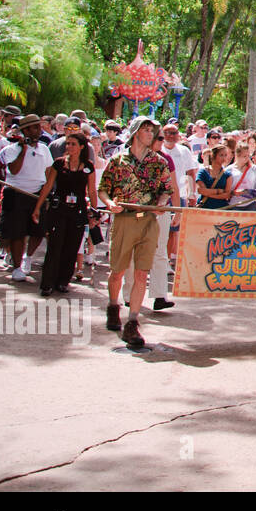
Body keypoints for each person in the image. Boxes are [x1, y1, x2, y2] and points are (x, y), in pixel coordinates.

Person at [99, 115, 175, 349]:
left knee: (142, 273)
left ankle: (132, 322)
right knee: (118, 271)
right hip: (124, 219)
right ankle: (113, 306)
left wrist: (161, 203)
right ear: (135, 132)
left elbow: (167, 189)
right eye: (146, 129)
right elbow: (103, 189)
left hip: (149, 220)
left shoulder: (159, 162)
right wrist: (110, 203)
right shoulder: (117, 160)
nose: (150, 134)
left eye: (152, 130)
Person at [31, 130, 99, 295]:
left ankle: (63, 281)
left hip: (78, 210)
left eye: (73, 144)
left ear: (82, 147)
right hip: (59, 209)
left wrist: (94, 213)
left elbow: (91, 191)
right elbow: (48, 186)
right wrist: (38, 207)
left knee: (72, 246)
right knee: (55, 245)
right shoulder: (59, 164)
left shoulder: (88, 167)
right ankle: (47, 283)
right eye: (67, 143)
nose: (69, 146)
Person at [0, 114, 53, 282]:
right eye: (35, 127)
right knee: (17, 233)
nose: (39, 130)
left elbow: (49, 173)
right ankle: (16, 266)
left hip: (36, 195)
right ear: (26, 130)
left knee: (38, 231)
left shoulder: (44, 148)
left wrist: (45, 194)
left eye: (39, 126)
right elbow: (13, 170)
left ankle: (27, 257)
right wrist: (23, 150)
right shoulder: (12, 149)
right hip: (16, 193)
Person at [226, 142, 256, 209]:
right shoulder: (229, 170)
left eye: (248, 156)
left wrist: (247, 191)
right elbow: (225, 190)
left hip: (250, 204)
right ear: (237, 155)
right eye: (244, 156)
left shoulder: (254, 169)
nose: (247, 158)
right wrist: (234, 193)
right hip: (233, 204)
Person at [196, 144, 236, 208]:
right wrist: (219, 191)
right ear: (214, 155)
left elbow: (227, 195)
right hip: (205, 207)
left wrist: (209, 194)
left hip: (221, 208)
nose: (224, 158)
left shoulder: (227, 174)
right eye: (221, 155)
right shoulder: (203, 171)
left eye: (225, 155)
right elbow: (201, 190)